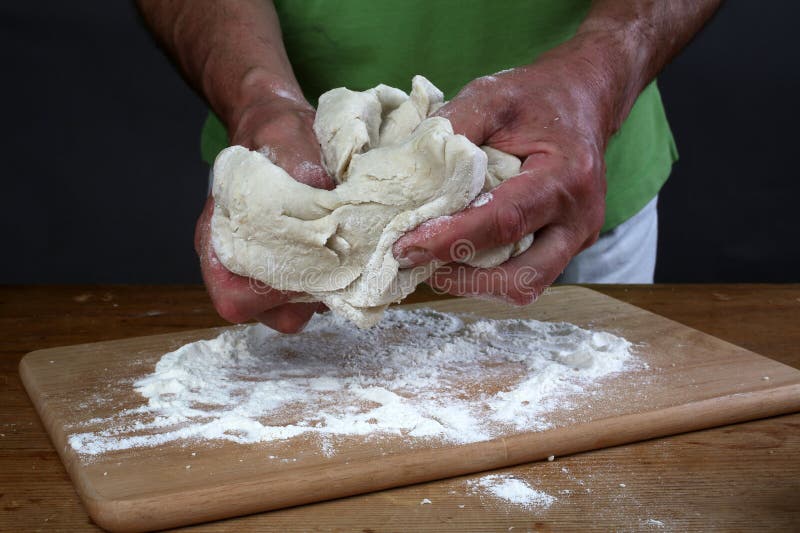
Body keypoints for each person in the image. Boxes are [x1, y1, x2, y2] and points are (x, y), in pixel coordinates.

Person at [137, 0, 720, 333]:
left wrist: (604, 71)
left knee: (597, 415)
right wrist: (254, 94)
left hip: (566, 171)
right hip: (285, 172)